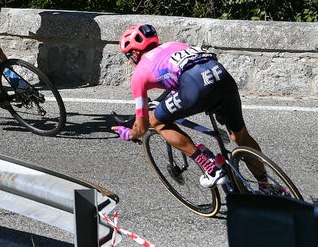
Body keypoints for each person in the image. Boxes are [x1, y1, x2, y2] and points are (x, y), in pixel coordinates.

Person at [111, 24, 277, 190]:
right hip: (222, 77)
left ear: (134, 54)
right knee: (240, 136)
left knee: (157, 121)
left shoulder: (139, 74)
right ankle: (266, 185)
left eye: (128, 57)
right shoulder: (174, 45)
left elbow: (141, 128)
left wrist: (129, 133)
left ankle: (210, 168)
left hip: (196, 86)